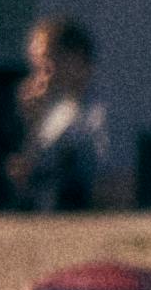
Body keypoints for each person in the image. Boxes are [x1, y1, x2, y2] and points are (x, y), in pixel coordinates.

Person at [6, 13, 123, 214]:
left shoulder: (102, 115)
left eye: (47, 66)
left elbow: (121, 188)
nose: (40, 79)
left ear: (76, 61)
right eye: (36, 68)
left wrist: (66, 189)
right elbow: (26, 186)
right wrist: (32, 126)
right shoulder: (54, 116)